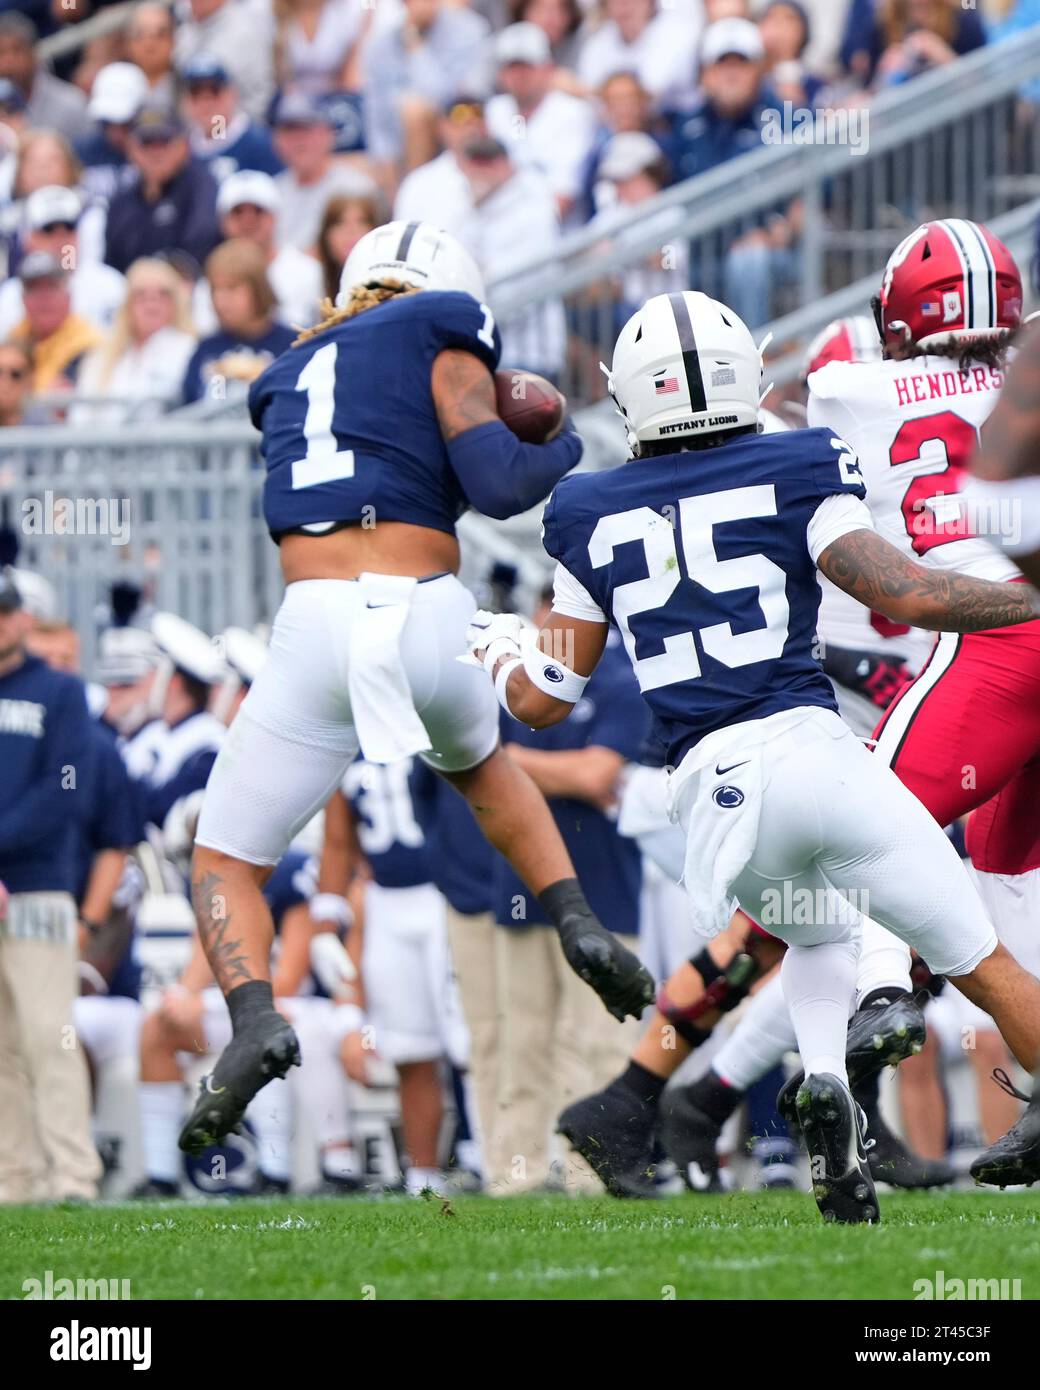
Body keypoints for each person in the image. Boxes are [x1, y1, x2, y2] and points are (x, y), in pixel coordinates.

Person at [465, 288, 1040, 1223]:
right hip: (815, 753)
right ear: (747, 374)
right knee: (982, 963)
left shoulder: (585, 506)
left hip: (711, 793)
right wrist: (1032, 603)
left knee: (815, 934)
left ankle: (826, 1090)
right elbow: (911, 593)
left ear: (631, 395)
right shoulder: (801, 461)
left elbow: (541, 699)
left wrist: (495, 647)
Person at [180, 220, 654, 1157]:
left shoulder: (288, 368)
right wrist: (564, 443)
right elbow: (500, 481)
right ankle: (577, 920)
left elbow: (371, 448)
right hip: (428, 610)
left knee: (225, 859)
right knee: (487, 774)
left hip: (313, 620)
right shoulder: (445, 323)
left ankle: (253, 1020)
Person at [489, 606, 651, 1193]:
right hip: (523, 889)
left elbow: (594, 774)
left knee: (599, 1039)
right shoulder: (519, 685)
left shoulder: (618, 680)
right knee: (522, 1038)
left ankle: (593, 1172)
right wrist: (535, 770)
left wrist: (509, 765)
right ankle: (516, 1171)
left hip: (604, 888)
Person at [0, 569, 100, 1202]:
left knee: (48, 1035)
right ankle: (16, 1177)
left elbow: (63, 793)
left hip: (35, 887)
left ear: (21, 619)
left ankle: (73, 1177)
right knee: (2, 1047)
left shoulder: (60, 692)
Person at [362, 0, 491, 183]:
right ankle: (407, 202)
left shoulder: (470, 29)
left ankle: (418, 192)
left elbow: (454, 99)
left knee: (415, 110)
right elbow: (377, 119)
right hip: (401, 143)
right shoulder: (381, 44)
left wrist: (416, 47)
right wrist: (383, 164)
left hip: (463, 117)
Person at [486, 22, 598, 219]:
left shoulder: (573, 113)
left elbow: (563, 200)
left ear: (548, 69)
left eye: (528, 67)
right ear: (501, 74)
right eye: (512, 68)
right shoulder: (495, 110)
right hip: (498, 225)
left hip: (556, 235)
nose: (520, 76)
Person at [72, 257, 197, 425]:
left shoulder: (191, 351)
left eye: (163, 294)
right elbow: (81, 415)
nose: (152, 303)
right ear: (128, 305)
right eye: (141, 295)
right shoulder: (101, 357)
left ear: (176, 303)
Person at [195, 170, 324, 332]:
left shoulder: (309, 272)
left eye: (258, 210)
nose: (248, 221)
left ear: (275, 216)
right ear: (223, 221)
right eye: (237, 212)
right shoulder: (210, 281)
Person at [104, 104, 221, 276]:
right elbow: (111, 264)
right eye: (147, 143)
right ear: (131, 148)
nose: (155, 152)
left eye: (164, 142)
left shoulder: (202, 189)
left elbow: (199, 249)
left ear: (183, 145)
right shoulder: (121, 202)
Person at [0, 185, 126, 340]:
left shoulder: (110, 285)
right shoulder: (9, 296)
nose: (60, 238)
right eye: (49, 230)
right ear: (29, 239)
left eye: (69, 227)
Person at [182, 239, 295, 405]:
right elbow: (196, 405)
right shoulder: (207, 350)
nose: (221, 300)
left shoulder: (292, 345)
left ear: (258, 288)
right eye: (215, 289)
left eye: (232, 288)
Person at [272, 92, 377, 254]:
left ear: (329, 134)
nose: (298, 140)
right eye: (289, 130)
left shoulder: (356, 188)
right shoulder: (271, 191)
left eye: (307, 129)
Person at [576, 0, 701, 108]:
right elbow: (591, 96)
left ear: (649, 2)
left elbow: (650, 93)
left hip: (674, 121)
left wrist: (601, 94)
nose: (624, 6)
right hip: (614, 126)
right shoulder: (597, 43)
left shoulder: (676, 32)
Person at [181, 54, 282, 181]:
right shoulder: (182, 148)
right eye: (195, 93)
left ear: (232, 94)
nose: (205, 102)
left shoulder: (261, 144)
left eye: (214, 92)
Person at [174, 0, 276, 124]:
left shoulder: (246, 30)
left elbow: (261, 97)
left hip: (231, 128)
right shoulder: (185, 31)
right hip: (193, 130)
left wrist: (228, 133)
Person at [10, 251, 99, 392]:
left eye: (52, 287)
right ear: (23, 299)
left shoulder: (89, 347)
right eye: (35, 289)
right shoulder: (14, 341)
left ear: (69, 296)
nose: (44, 298)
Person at [0, 13, 90, 142]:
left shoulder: (70, 104)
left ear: (33, 53)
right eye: (1, 53)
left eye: (17, 50)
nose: (8, 62)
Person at [75, 62, 149, 203]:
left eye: (126, 123)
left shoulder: (160, 150)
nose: (117, 133)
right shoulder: (82, 153)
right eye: (107, 122)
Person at [315, 192, 384, 306]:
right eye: (340, 222)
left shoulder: (390, 291)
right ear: (325, 235)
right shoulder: (311, 283)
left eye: (361, 221)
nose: (351, 231)